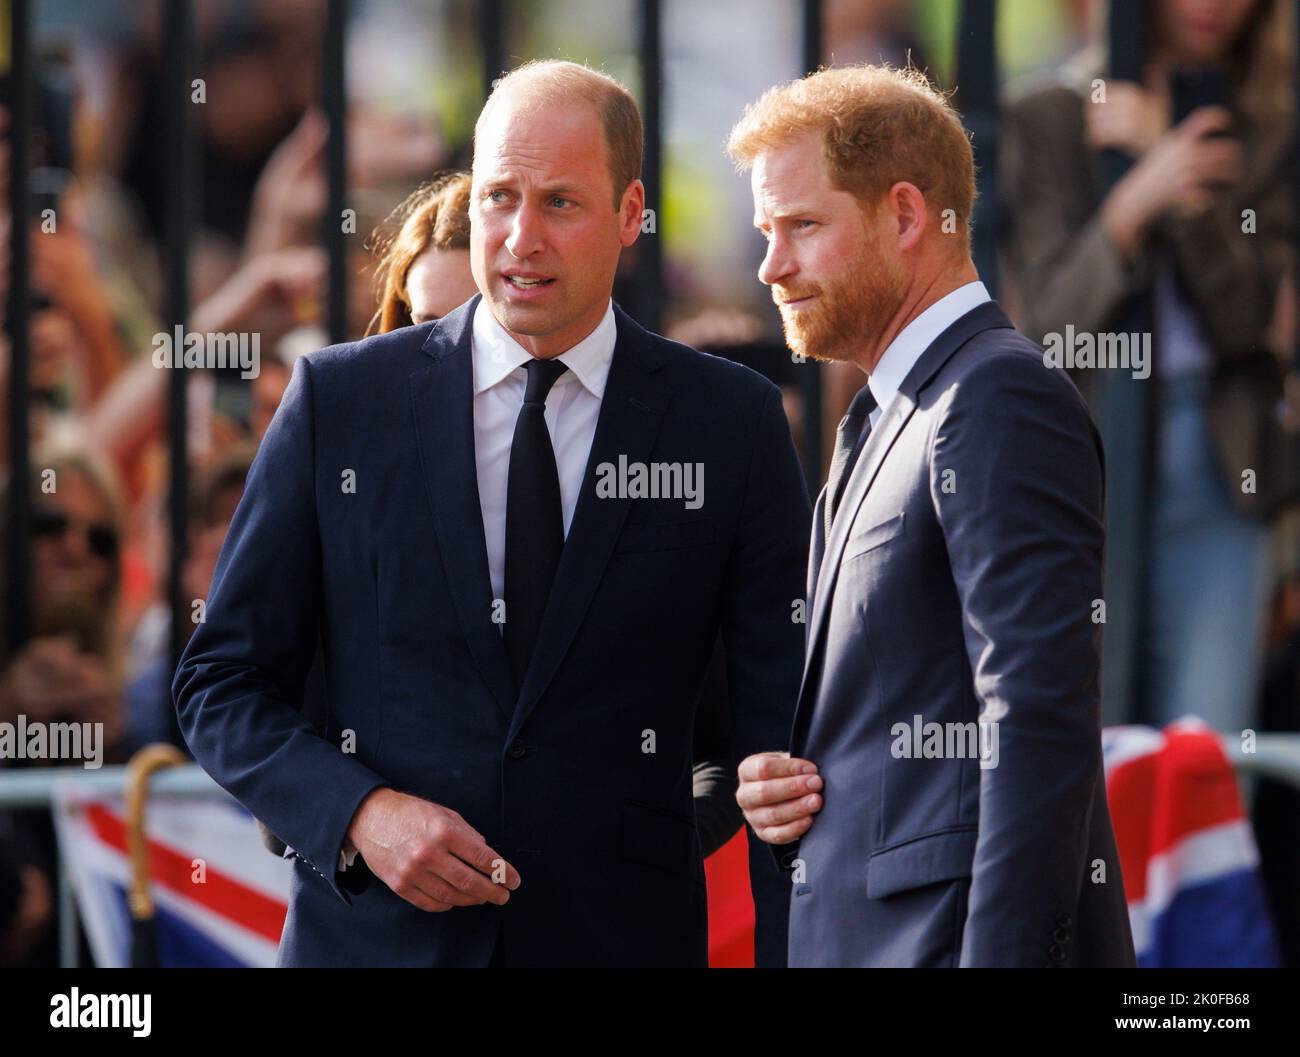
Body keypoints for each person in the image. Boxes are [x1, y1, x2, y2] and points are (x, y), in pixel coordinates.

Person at [173, 59, 810, 968]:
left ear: (632, 213)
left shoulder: (728, 423)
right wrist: (362, 815)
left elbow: (772, 738)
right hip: (377, 944)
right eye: (500, 197)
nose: (521, 237)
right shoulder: (341, 403)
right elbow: (221, 683)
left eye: (560, 202)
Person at [727, 64, 1135, 967]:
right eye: (766, 230)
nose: (770, 266)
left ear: (906, 216)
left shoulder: (995, 396)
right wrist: (785, 787)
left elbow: (1037, 720)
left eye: (802, 225)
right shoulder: (888, 414)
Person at [1000, 0, 1294, 730]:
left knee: (1207, 744)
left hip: (1220, 452)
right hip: (1082, 447)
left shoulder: (1265, 123)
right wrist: (1129, 210)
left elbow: (1250, 321)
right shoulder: (1046, 114)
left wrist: (1186, 192)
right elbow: (1044, 331)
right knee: (1077, 740)